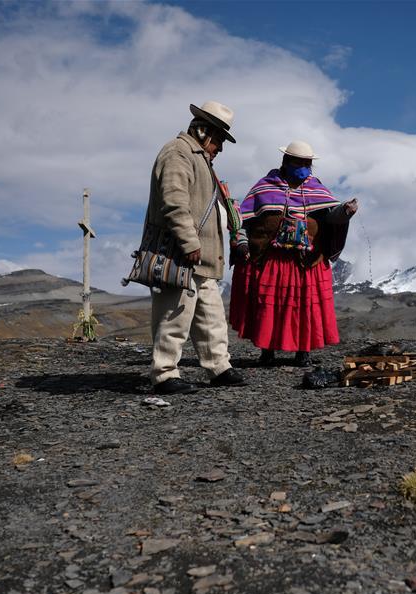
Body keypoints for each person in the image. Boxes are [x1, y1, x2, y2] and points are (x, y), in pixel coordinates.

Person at [145, 101, 246, 393]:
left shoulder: (198, 158)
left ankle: (219, 366)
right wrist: (189, 242)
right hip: (180, 252)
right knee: (174, 313)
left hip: (200, 257)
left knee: (211, 315)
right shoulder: (178, 153)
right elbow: (174, 201)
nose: (220, 148)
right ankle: (164, 374)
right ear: (203, 132)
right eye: (219, 140)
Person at [229, 140, 358, 366]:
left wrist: (345, 211)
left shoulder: (316, 188)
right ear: (286, 162)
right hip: (273, 259)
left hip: (306, 261)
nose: (304, 167)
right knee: (269, 307)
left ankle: (303, 351)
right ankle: (267, 350)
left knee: (304, 307)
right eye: (300, 162)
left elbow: (330, 215)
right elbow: (245, 217)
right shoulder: (265, 187)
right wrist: (242, 243)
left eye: (308, 164)